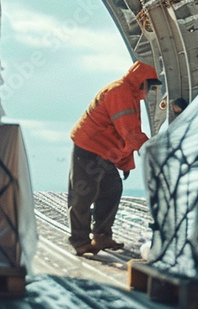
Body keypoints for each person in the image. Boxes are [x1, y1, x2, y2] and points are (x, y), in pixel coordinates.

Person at [68, 61, 160, 255]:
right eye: (151, 86)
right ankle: (80, 240)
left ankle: (102, 236)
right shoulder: (120, 92)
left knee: (112, 190)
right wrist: (153, 152)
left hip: (105, 152)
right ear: (142, 81)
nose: (151, 91)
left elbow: (123, 134)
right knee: (83, 194)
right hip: (89, 148)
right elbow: (129, 131)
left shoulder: (130, 94)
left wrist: (125, 162)